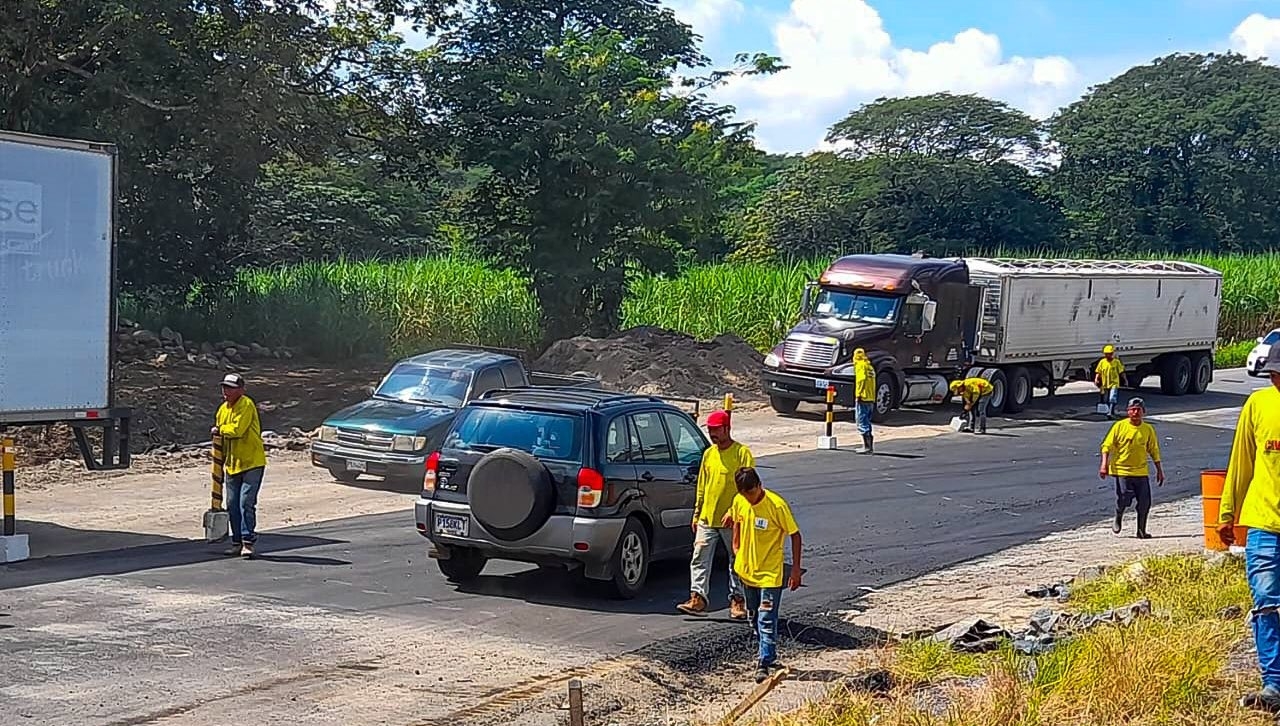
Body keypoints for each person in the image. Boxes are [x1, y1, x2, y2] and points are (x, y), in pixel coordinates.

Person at [1217, 345, 1280, 713]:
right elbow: (1240, 461)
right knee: (1267, 604)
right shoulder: (1258, 406)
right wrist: (1227, 513)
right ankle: (1274, 684)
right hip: (1263, 524)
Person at [677, 409, 753, 619]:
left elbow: (748, 487)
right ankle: (698, 599)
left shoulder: (741, 453)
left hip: (733, 520)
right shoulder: (709, 454)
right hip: (707, 518)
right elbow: (702, 484)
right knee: (699, 557)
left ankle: (738, 601)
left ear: (727, 429)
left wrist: (734, 511)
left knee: (736, 560)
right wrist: (697, 511)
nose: (713, 435)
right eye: (710, 431)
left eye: (716, 430)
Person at [728, 466, 802, 683]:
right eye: (744, 495)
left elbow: (795, 536)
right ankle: (766, 650)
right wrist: (736, 545)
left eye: (751, 493)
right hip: (747, 571)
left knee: (766, 618)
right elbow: (736, 518)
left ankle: (764, 660)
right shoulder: (740, 500)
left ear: (759, 486)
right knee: (753, 616)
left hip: (770, 574)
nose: (749, 499)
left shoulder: (776, 506)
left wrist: (796, 570)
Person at [213, 373, 267, 558]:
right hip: (232, 463)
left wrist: (220, 430)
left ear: (241, 390)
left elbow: (237, 430)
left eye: (230, 388)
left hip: (252, 462)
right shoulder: (223, 409)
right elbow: (220, 436)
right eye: (224, 387)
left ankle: (248, 541)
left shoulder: (246, 404)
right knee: (231, 504)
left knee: (246, 502)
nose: (226, 391)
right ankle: (236, 541)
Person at [1098, 397, 1164, 538]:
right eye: (1132, 410)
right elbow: (1106, 446)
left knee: (1145, 502)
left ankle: (1141, 531)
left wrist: (1159, 470)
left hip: (1141, 471)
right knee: (1124, 498)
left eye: (1138, 410)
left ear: (1143, 412)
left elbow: (1154, 450)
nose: (1135, 412)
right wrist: (1104, 465)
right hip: (1122, 470)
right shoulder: (1119, 426)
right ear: (1128, 412)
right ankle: (1118, 515)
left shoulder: (1148, 429)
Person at [852, 348, 876, 454]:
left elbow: (861, 380)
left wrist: (858, 394)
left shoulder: (860, 365)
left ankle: (867, 447)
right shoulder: (869, 367)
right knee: (867, 421)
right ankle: (869, 446)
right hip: (871, 398)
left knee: (861, 421)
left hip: (863, 397)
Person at [1094, 344, 1126, 418]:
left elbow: (1121, 372)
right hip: (1104, 383)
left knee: (1112, 397)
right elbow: (1098, 372)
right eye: (1107, 354)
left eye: (1110, 354)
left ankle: (1110, 411)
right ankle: (1106, 410)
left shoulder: (1116, 362)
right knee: (1104, 397)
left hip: (1114, 383)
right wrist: (1096, 379)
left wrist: (1125, 380)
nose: (1108, 355)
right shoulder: (1102, 362)